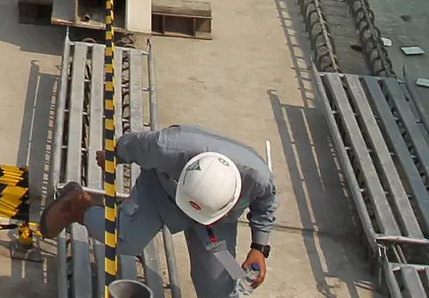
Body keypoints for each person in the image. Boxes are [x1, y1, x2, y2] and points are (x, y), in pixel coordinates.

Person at [40, 124, 277, 296]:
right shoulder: (169, 147)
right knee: (125, 240)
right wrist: (115, 154)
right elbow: (139, 144)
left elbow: (266, 205)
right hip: (162, 191)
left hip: (214, 224)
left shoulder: (258, 178)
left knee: (220, 288)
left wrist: (259, 248)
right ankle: (79, 205)